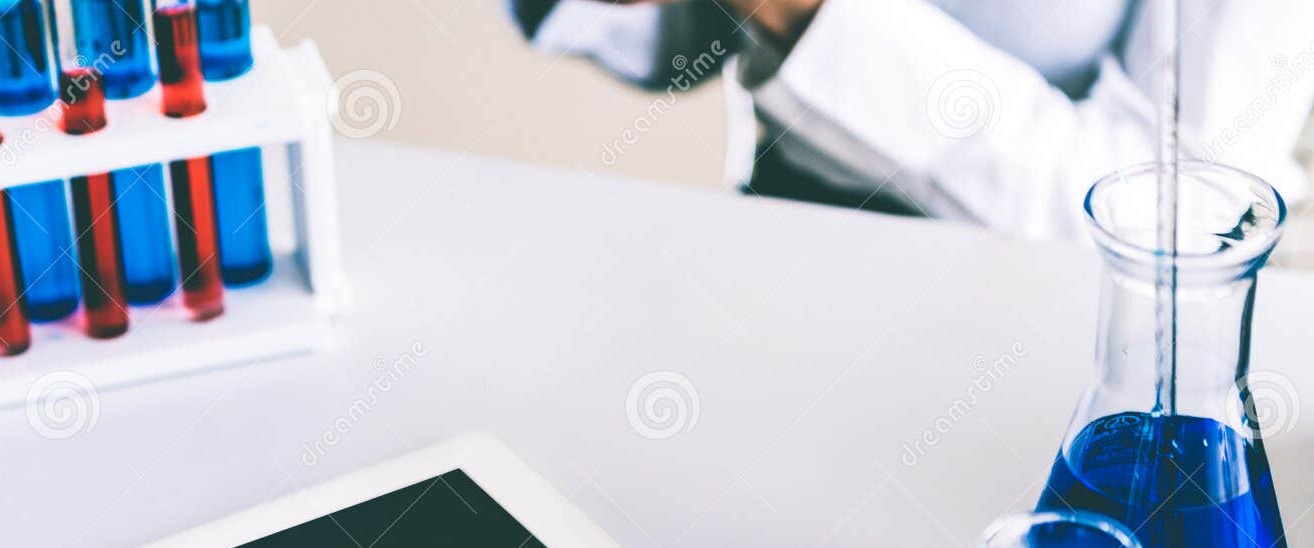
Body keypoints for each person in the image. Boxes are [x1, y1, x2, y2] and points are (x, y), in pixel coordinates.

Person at [511, 0, 1314, 240]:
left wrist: (810, 11)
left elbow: (1180, 209)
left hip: (1046, 357)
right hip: (776, 244)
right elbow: (702, 39)